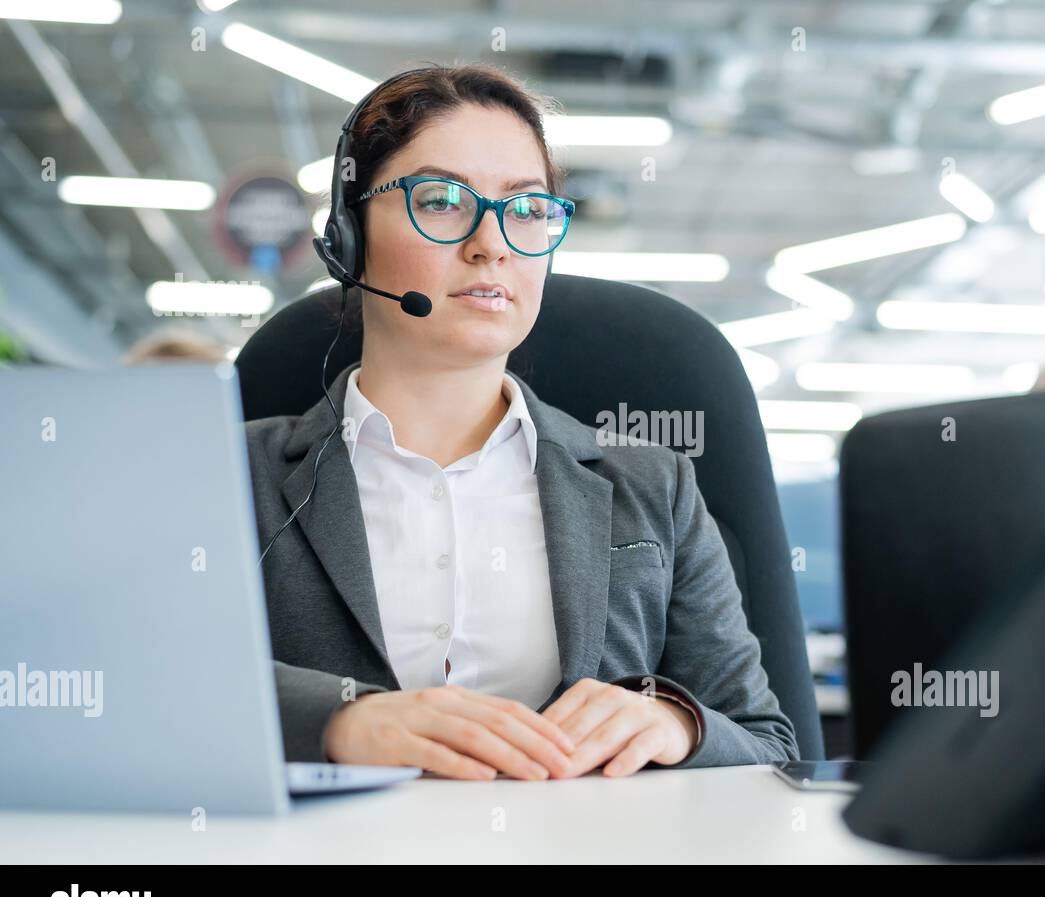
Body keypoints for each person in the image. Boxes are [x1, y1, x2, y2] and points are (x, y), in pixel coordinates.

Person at [244, 64, 799, 782]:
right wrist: (340, 719)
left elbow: (768, 741)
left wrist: (677, 722)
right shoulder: (232, 476)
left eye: (528, 210)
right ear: (350, 235)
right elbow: (151, 683)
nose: (491, 243)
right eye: (441, 200)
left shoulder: (651, 485)